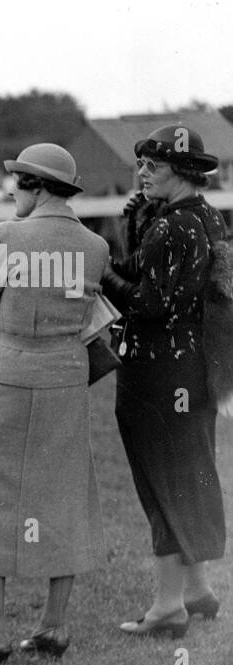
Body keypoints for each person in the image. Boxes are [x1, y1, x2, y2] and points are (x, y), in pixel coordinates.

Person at [0, 144, 110, 664]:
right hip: (68, 376)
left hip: (14, 373)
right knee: (64, 491)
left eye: (19, 184)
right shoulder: (94, 246)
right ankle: (55, 624)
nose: (13, 193)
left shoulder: (5, 236)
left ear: (36, 186)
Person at [103, 125, 227, 637]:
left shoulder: (171, 227)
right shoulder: (206, 216)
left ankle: (167, 606)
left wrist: (98, 274)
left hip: (156, 370)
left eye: (154, 164)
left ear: (182, 170)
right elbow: (152, 275)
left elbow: (149, 303)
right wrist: (132, 237)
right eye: (142, 162)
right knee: (190, 475)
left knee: (162, 483)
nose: (143, 171)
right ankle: (197, 590)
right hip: (198, 369)